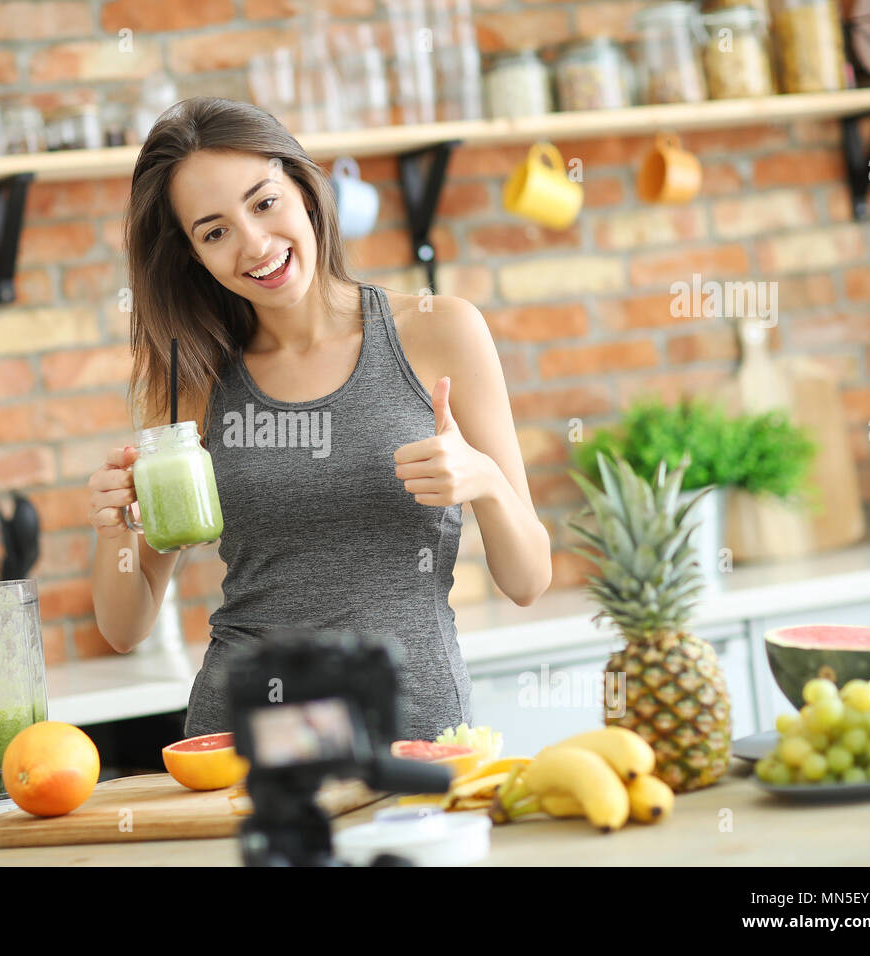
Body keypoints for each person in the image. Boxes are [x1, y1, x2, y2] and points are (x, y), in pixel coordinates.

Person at [88, 97, 551, 741]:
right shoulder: (192, 380)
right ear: (193, 255)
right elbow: (125, 627)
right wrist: (114, 529)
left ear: (306, 190)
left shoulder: (440, 332)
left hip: (411, 730)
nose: (254, 243)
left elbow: (529, 580)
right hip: (243, 743)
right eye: (214, 231)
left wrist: (486, 481)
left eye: (264, 202)